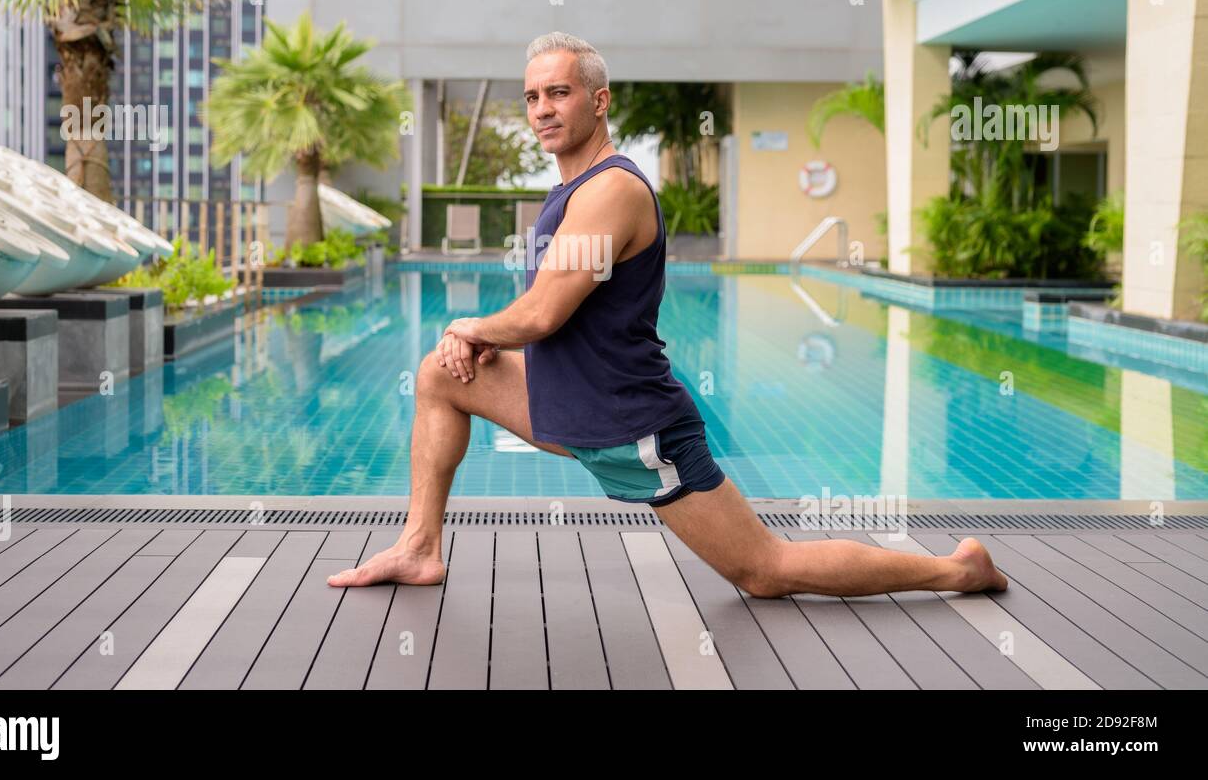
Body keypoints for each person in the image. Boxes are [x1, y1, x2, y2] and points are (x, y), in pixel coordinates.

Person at [328, 32, 1008, 598]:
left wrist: (469, 327)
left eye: (558, 93)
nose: (542, 109)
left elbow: (541, 314)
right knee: (438, 377)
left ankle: (957, 568)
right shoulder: (569, 185)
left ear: (599, 100)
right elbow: (546, 320)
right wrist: (471, 348)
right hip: (572, 408)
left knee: (765, 570)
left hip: (633, 428)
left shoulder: (612, 190)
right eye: (533, 96)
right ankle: (419, 546)